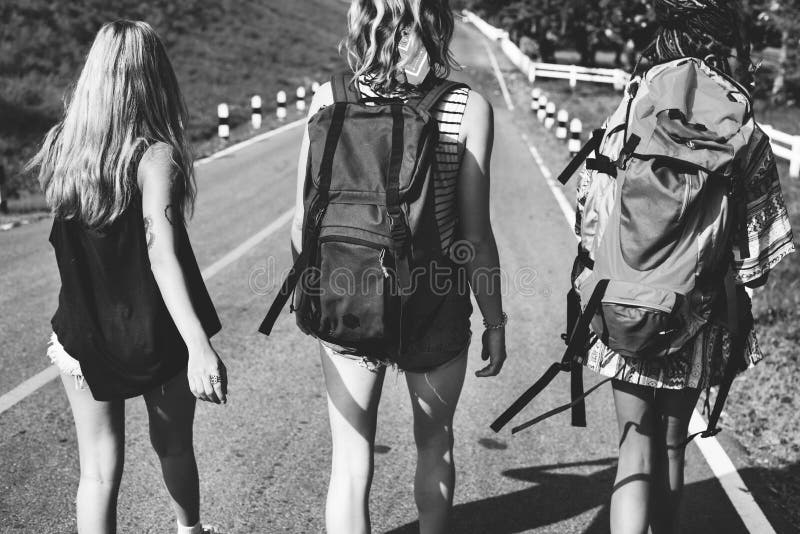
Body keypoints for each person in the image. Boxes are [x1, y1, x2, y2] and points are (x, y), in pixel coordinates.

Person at [573, 1, 796, 533]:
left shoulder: (633, 107)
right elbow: (760, 260)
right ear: (729, 48)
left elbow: (589, 212)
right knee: (674, 446)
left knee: (633, 447)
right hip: (697, 314)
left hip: (622, 301)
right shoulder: (742, 126)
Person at [289, 1, 506, 532]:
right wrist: (495, 321)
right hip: (433, 302)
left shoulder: (329, 99)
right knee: (435, 444)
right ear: (437, 25)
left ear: (362, 23)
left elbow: (301, 224)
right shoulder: (466, 107)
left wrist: (321, 295)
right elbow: (474, 238)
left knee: (349, 458)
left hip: (347, 295)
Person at [29, 21, 226, 534]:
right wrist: (199, 345)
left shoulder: (63, 150)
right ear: (153, 77)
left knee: (96, 474)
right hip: (154, 335)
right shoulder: (155, 157)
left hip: (82, 331)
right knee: (174, 448)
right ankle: (190, 531)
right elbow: (163, 258)